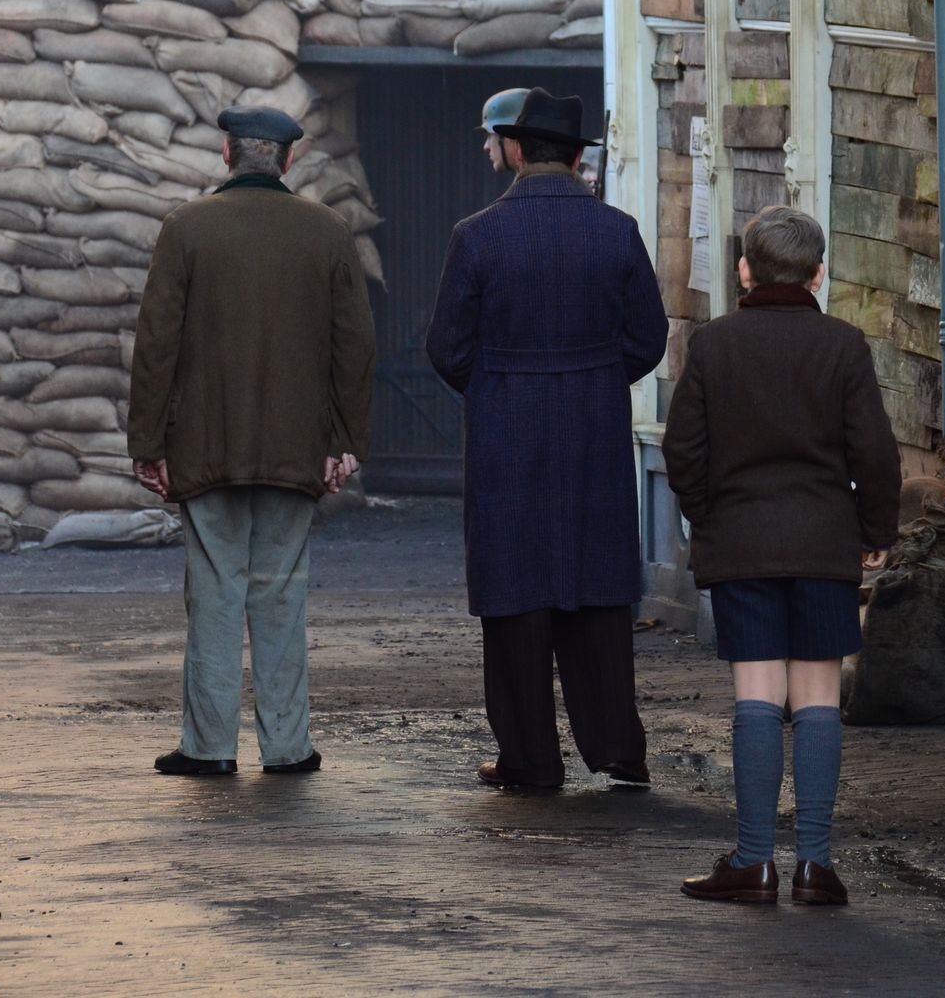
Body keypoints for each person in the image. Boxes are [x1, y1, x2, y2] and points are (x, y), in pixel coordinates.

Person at [425, 88, 669, 791]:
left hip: (506, 431)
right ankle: (617, 746)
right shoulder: (617, 231)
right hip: (593, 427)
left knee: (514, 591)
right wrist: (595, 377)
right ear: (573, 154)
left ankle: (530, 758)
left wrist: (499, 386)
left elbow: (447, 347)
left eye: (494, 139)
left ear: (517, 148)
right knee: (597, 587)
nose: (490, 148)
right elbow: (648, 337)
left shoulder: (476, 235)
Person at [662, 206, 901, 907]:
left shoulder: (714, 344)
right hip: (824, 544)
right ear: (818, 274)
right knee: (819, 696)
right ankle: (816, 867)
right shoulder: (844, 345)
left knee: (758, 693)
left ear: (744, 270)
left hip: (742, 544)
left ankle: (754, 862)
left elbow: (683, 449)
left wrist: (710, 516)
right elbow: (875, 452)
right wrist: (876, 530)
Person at [130, 105, 377, 777]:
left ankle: (208, 749)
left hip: (204, 446)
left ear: (226, 152)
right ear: (288, 160)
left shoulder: (186, 228)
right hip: (298, 449)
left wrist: (148, 444)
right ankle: (288, 748)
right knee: (281, 594)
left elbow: (156, 345)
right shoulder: (328, 231)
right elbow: (354, 346)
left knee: (214, 594)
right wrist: (346, 441)